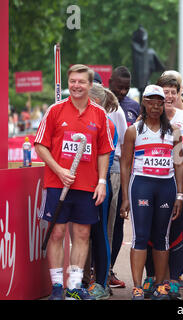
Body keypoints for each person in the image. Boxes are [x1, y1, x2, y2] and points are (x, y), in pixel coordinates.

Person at [35, 64, 114, 300]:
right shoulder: (55, 110)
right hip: (58, 184)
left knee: (82, 234)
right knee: (57, 234)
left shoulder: (99, 114)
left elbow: (103, 152)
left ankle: (75, 286)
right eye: (73, 82)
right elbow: (40, 145)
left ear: (91, 85)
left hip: (87, 186)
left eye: (81, 82)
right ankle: (57, 287)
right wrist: (59, 170)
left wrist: (101, 181)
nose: (76, 86)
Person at [119, 84, 183, 300]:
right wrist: (126, 198)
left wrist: (180, 195)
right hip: (141, 187)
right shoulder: (133, 130)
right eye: (151, 102)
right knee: (140, 236)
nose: (156, 106)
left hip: (166, 188)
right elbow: (126, 164)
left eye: (160, 102)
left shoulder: (173, 132)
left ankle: (159, 285)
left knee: (162, 237)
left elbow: (179, 164)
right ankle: (138, 286)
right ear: (144, 103)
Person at [142, 75, 183, 300]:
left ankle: (174, 280)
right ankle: (155, 278)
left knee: (176, 233)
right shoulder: (144, 119)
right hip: (151, 182)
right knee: (152, 231)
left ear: (178, 94)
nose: (168, 96)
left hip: (181, 182)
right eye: (164, 92)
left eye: (172, 92)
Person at [84, 83, 125, 300]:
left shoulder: (108, 125)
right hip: (82, 186)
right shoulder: (84, 121)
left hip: (99, 185)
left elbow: (107, 160)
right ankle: (82, 280)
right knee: (83, 235)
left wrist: (96, 181)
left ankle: (101, 282)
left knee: (100, 234)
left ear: (96, 102)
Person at [108, 66, 141, 289]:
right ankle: (94, 269)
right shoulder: (100, 102)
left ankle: (108, 268)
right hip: (104, 170)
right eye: (119, 87)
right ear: (110, 82)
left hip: (125, 171)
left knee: (118, 222)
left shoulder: (133, 107)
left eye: (126, 88)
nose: (122, 92)